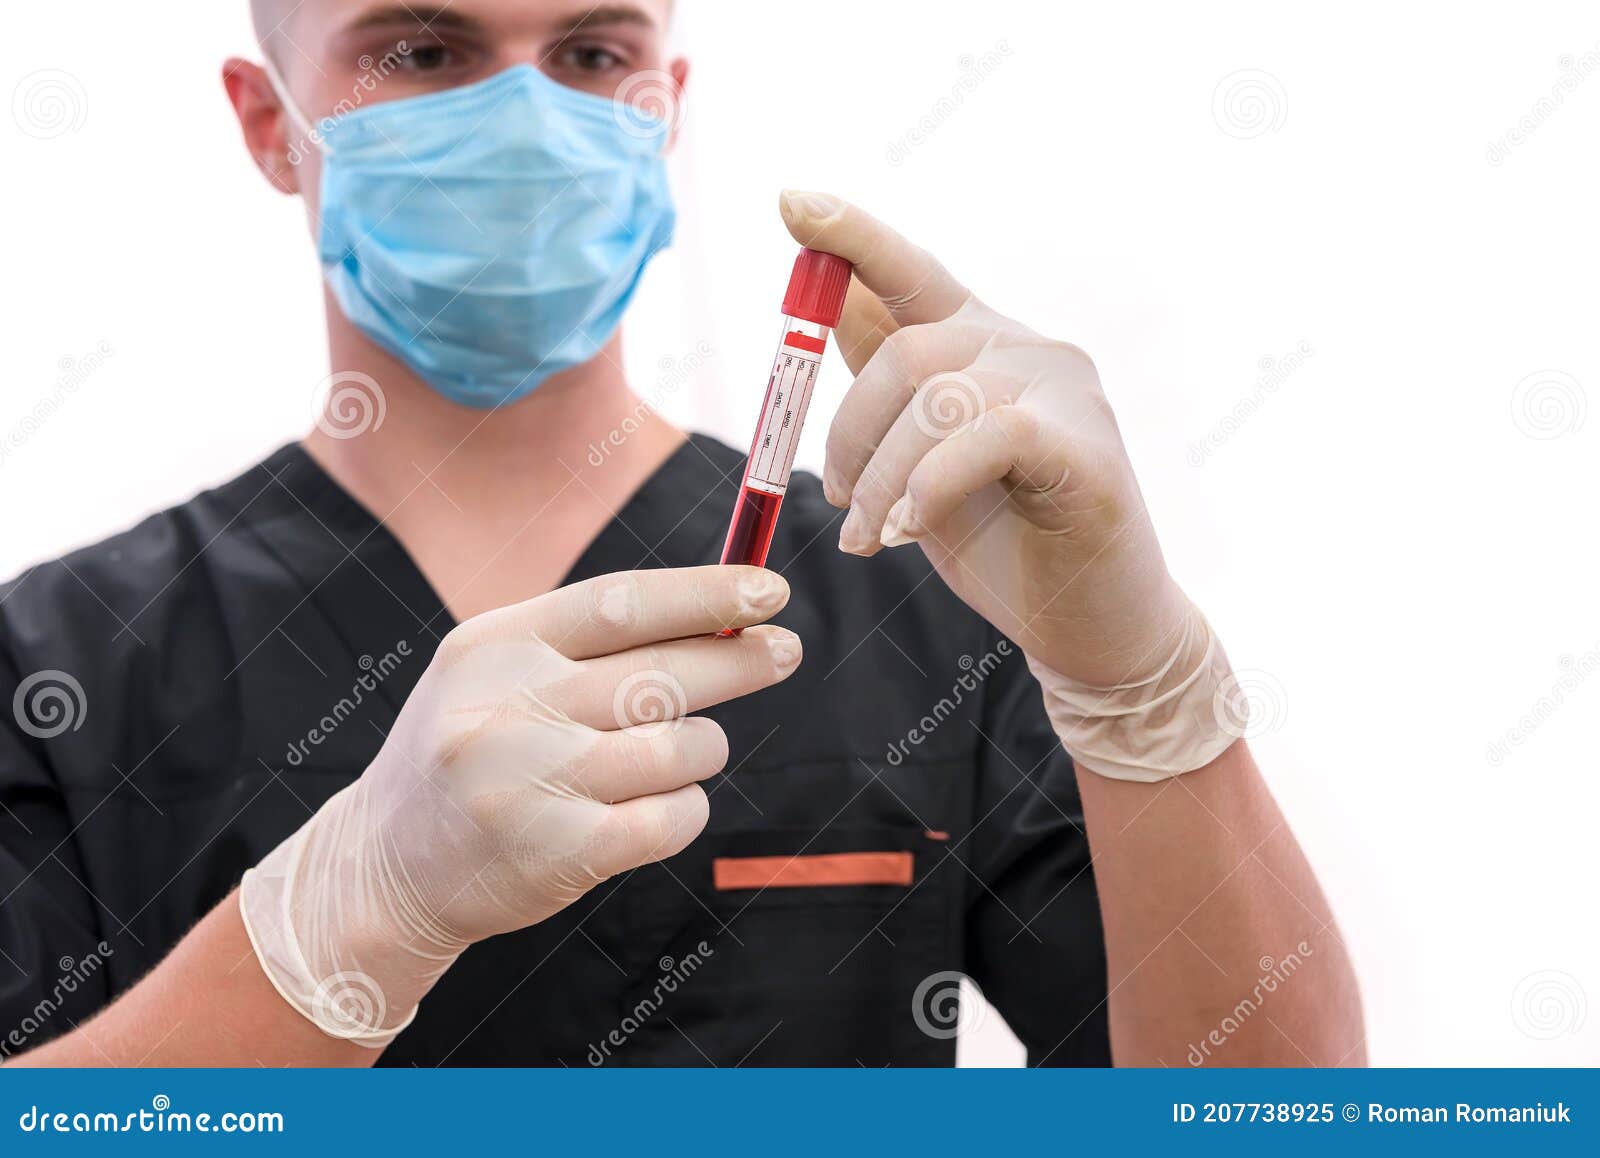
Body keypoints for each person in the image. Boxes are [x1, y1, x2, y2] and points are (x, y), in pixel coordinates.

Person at [0, 0, 1363, 1067]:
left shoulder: (933, 596)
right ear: (267, 119)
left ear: (664, 108)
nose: (525, 117)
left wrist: (1142, 689)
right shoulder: (62, 661)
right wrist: (327, 928)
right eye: (423, 46)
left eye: (592, 51)